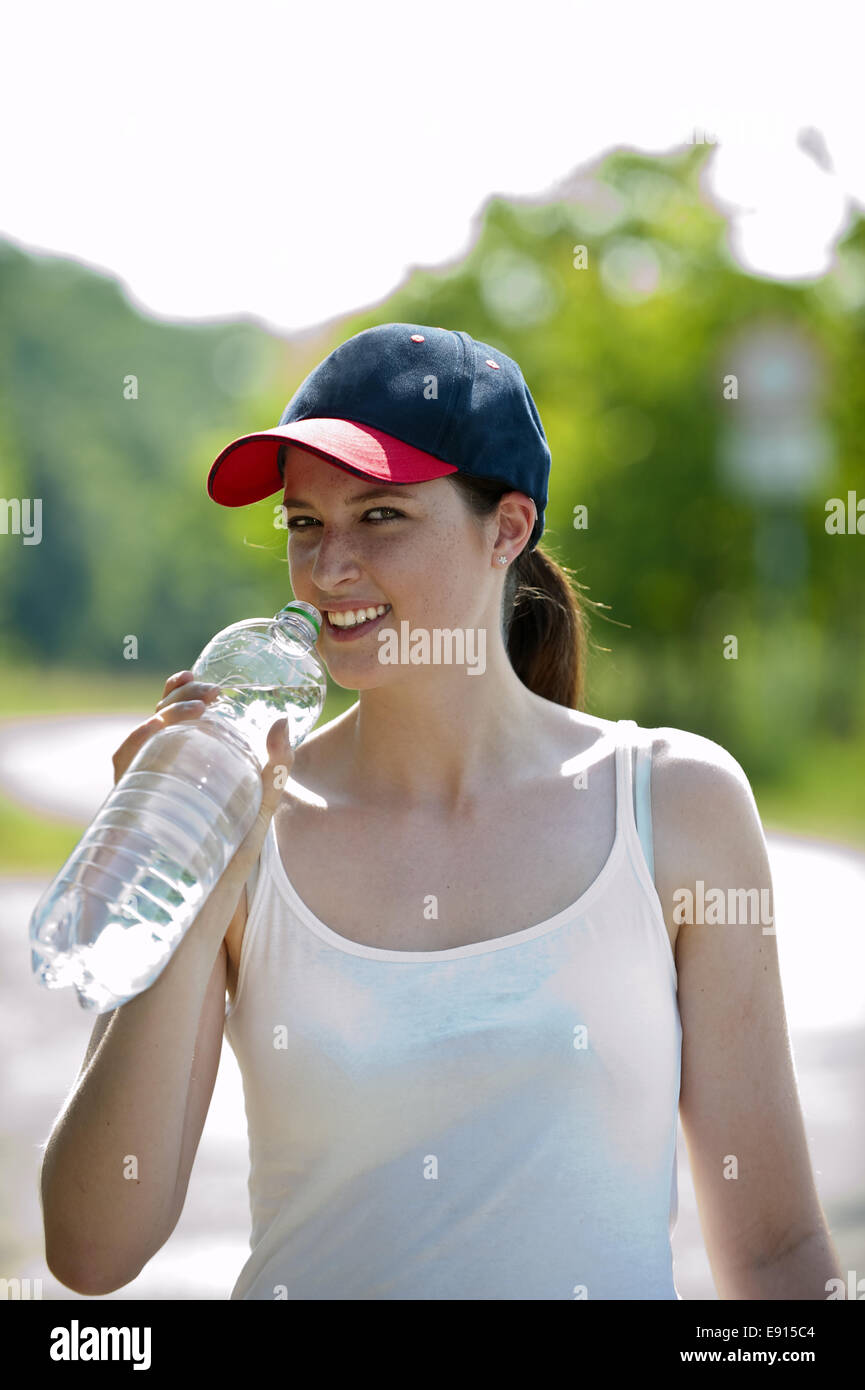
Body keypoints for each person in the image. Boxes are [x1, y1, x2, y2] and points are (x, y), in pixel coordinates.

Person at [41, 323, 841, 1301]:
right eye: (303, 522)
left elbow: (773, 1255)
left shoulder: (676, 806)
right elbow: (89, 1251)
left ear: (507, 528)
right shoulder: (246, 814)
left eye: (379, 515)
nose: (328, 566)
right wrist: (189, 879)